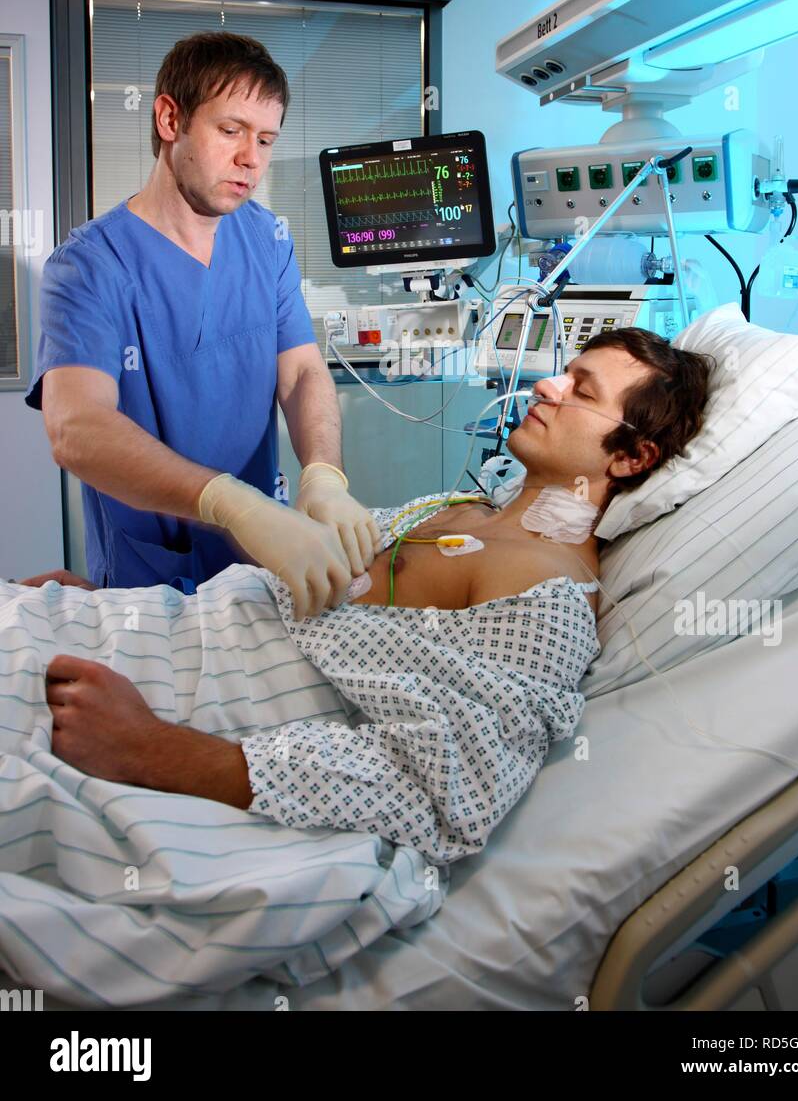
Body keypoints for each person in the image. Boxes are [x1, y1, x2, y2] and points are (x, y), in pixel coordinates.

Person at [26, 329, 713, 866]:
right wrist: (114, 605)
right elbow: (300, 590)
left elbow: (451, 788)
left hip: (181, 704)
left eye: (582, 391)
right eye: (565, 370)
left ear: (631, 458)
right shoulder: (458, 508)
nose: (547, 384)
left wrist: (155, 750)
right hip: (151, 631)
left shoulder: (550, 593)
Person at [24, 31, 378, 615]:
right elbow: (76, 426)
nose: (252, 159)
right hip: (150, 577)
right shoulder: (90, 266)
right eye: (231, 130)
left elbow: (300, 372)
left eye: (266, 139)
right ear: (169, 118)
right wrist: (227, 502)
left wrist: (322, 476)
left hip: (262, 563)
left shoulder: (268, 241)